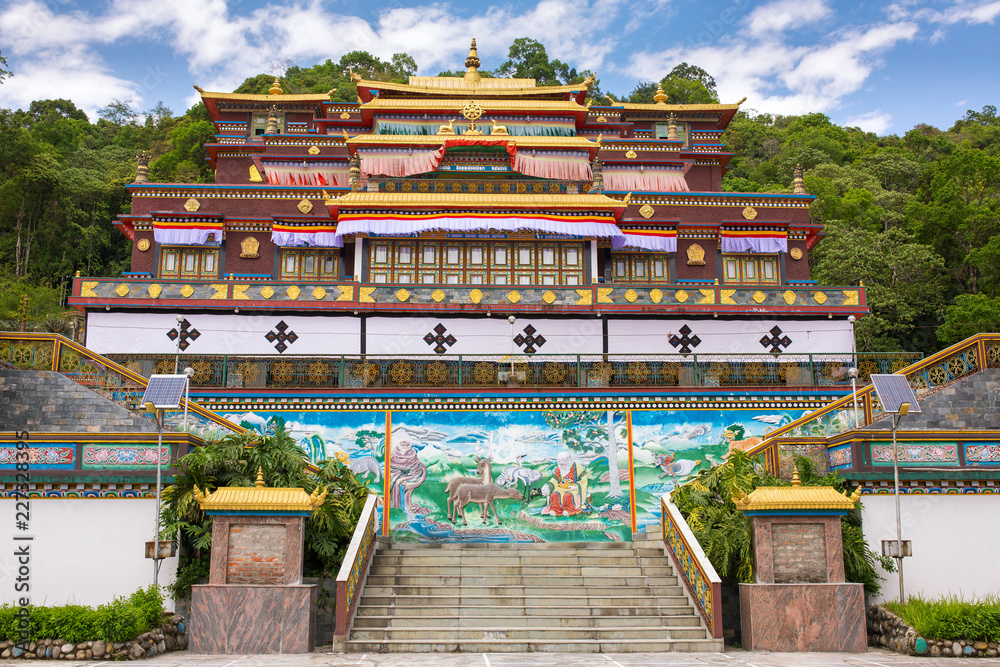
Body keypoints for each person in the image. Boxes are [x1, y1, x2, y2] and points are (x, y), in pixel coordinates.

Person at [540, 451, 587, 517]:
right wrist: (547, 486)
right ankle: (555, 510)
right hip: (560, 488)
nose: (561, 463)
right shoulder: (557, 469)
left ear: (569, 459)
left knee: (567, 495)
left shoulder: (578, 468)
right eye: (559, 460)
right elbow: (554, 481)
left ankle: (569, 510)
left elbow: (584, 481)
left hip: (573, 489)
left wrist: (576, 487)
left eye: (563, 460)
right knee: (554, 494)